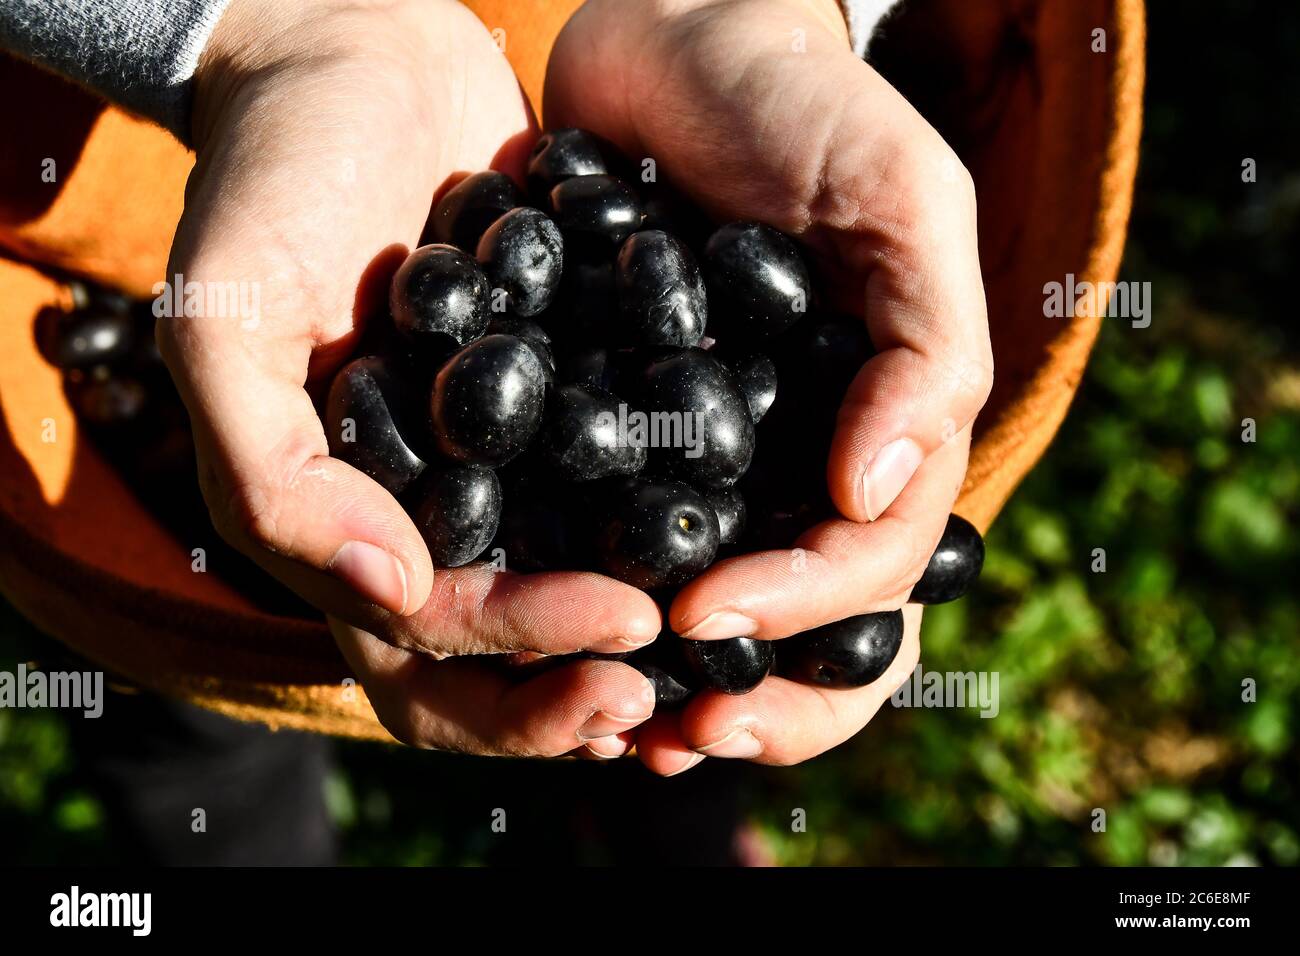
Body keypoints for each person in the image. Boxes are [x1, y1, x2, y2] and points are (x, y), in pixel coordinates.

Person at [1, 0, 992, 776]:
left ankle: (665, 814)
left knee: (669, 678)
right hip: (85, 155)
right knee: (201, 672)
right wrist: (256, 24)